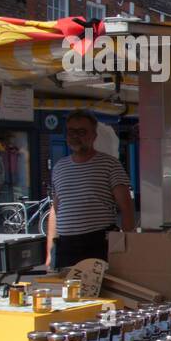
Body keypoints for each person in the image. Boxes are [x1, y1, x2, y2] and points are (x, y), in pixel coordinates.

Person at [46, 111, 134, 269]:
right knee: (67, 292)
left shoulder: (110, 165)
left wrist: (127, 248)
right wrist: (49, 252)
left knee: (100, 291)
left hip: (98, 242)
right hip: (66, 245)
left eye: (81, 132)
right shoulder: (59, 167)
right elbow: (55, 209)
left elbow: (126, 208)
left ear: (93, 135)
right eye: (71, 132)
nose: (75, 136)